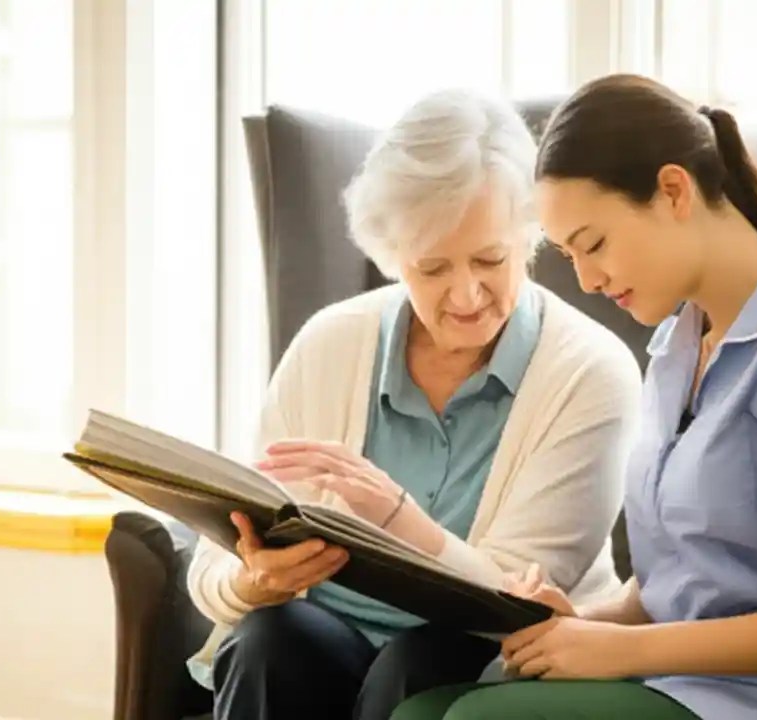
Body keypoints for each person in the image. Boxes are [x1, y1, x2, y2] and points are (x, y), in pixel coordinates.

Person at [393, 74, 757, 720]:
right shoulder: (677, 351)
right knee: (421, 708)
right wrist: (579, 625)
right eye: (569, 257)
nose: (587, 281)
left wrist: (618, 653)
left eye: (593, 245)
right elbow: (676, 585)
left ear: (674, 190)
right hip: (681, 685)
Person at [184, 88, 643, 720]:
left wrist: (399, 518)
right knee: (268, 640)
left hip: (493, 652)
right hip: (329, 641)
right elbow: (216, 560)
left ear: (529, 235)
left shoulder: (591, 371)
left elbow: (515, 604)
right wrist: (251, 581)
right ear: (392, 258)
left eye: (490, 259)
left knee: (419, 665)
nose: (466, 294)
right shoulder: (330, 343)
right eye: (432, 269)